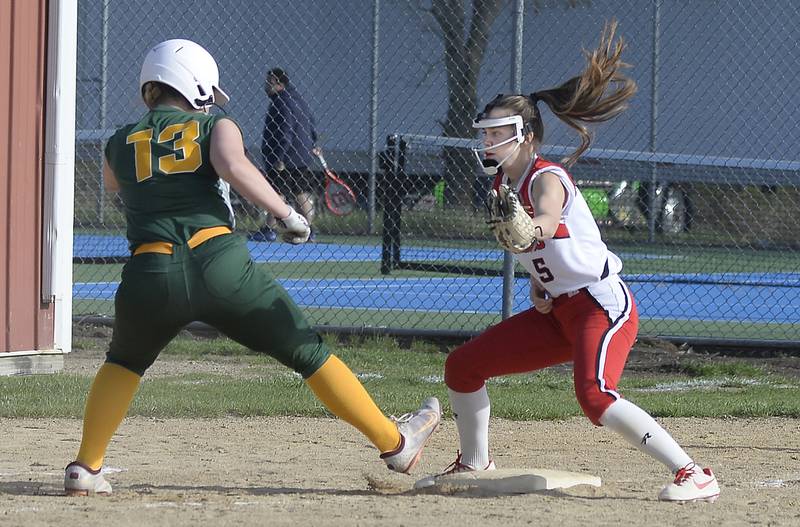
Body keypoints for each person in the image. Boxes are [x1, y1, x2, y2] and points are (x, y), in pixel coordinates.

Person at [63, 39, 440, 496]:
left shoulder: (119, 140)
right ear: (197, 85)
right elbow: (230, 163)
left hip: (148, 272)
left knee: (122, 362)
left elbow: (114, 187)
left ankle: (86, 465)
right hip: (216, 262)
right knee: (307, 350)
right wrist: (286, 214)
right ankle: (395, 443)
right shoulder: (215, 124)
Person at [421, 22, 720, 503]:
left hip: (602, 306)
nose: (488, 141)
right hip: (557, 311)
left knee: (594, 395)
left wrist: (532, 231)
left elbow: (546, 219)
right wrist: (540, 286)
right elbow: (538, 250)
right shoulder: (502, 188)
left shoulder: (547, 176)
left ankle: (693, 473)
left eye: (499, 133)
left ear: (527, 137)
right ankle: (475, 461)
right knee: (463, 367)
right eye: (487, 132)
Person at [250, 68, 321, 242]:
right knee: (300, 191)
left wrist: (279, 157)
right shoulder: (298, 99)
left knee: (276, 192)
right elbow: (311, 123)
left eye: (268, 82)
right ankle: (309, 230)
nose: (265, 86)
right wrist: (314, 143)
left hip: (285, 157)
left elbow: (285, 131)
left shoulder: (282, 101)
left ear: (276, 81)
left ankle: (269, 229)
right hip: (301, 155)